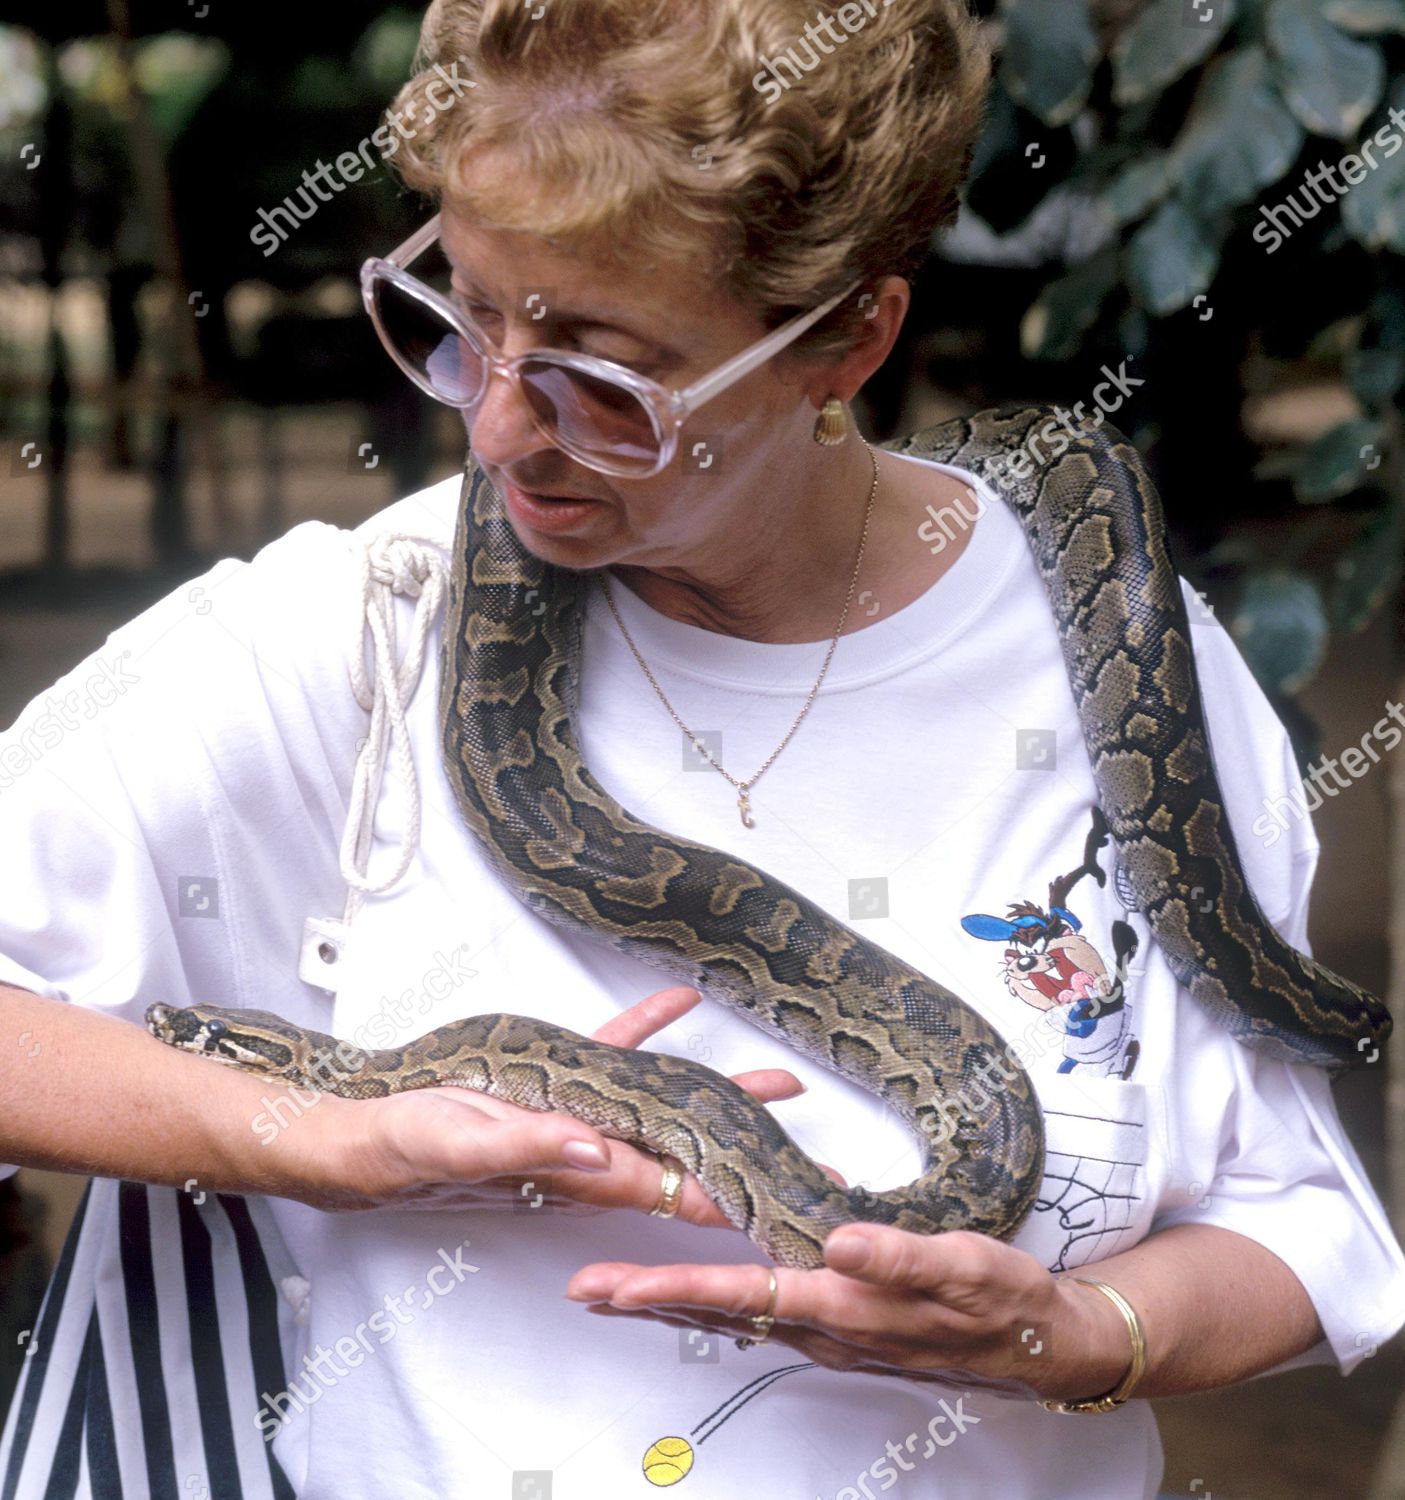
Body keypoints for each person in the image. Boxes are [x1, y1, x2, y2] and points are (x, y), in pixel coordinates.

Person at [2, 1, 1403, 1495]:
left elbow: (1294, 1221)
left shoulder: (1124, 655)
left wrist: (1068, 1335)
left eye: (602, 379)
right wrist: (301, 1138)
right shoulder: (350, 630)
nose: (492, 430)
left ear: (848, 340)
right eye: (460, 316)